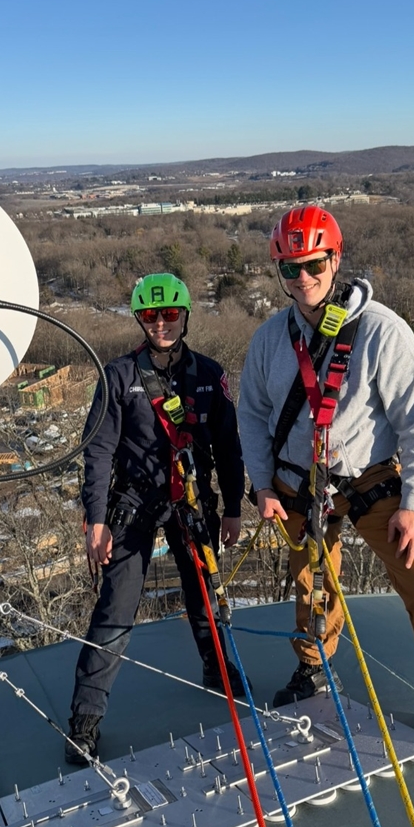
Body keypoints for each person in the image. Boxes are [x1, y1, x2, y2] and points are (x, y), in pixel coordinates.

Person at [238, 206, 414, 758]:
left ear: (335, 259)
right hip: (299, 483)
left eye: (312, 264)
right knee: (311, 585)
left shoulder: (381, 332)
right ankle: (314, 670)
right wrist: (263, 486)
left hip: (370, 479)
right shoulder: (271, 340)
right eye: (289, 268)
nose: (302, 277)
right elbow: (251, 416)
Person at [66, 273, 246, 765]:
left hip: (191, 502)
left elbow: (228, 448)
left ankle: (218, 670)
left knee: (203, 593)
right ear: (139, 320)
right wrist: (96, 520)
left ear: (185, 316)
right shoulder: (120, 377)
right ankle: (85, 719)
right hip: (135, 504)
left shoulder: (208, 374)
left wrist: (232, 507)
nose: (162, 324)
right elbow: (99, 452)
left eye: (170, 315)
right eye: (151, 316)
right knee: (116, 609)